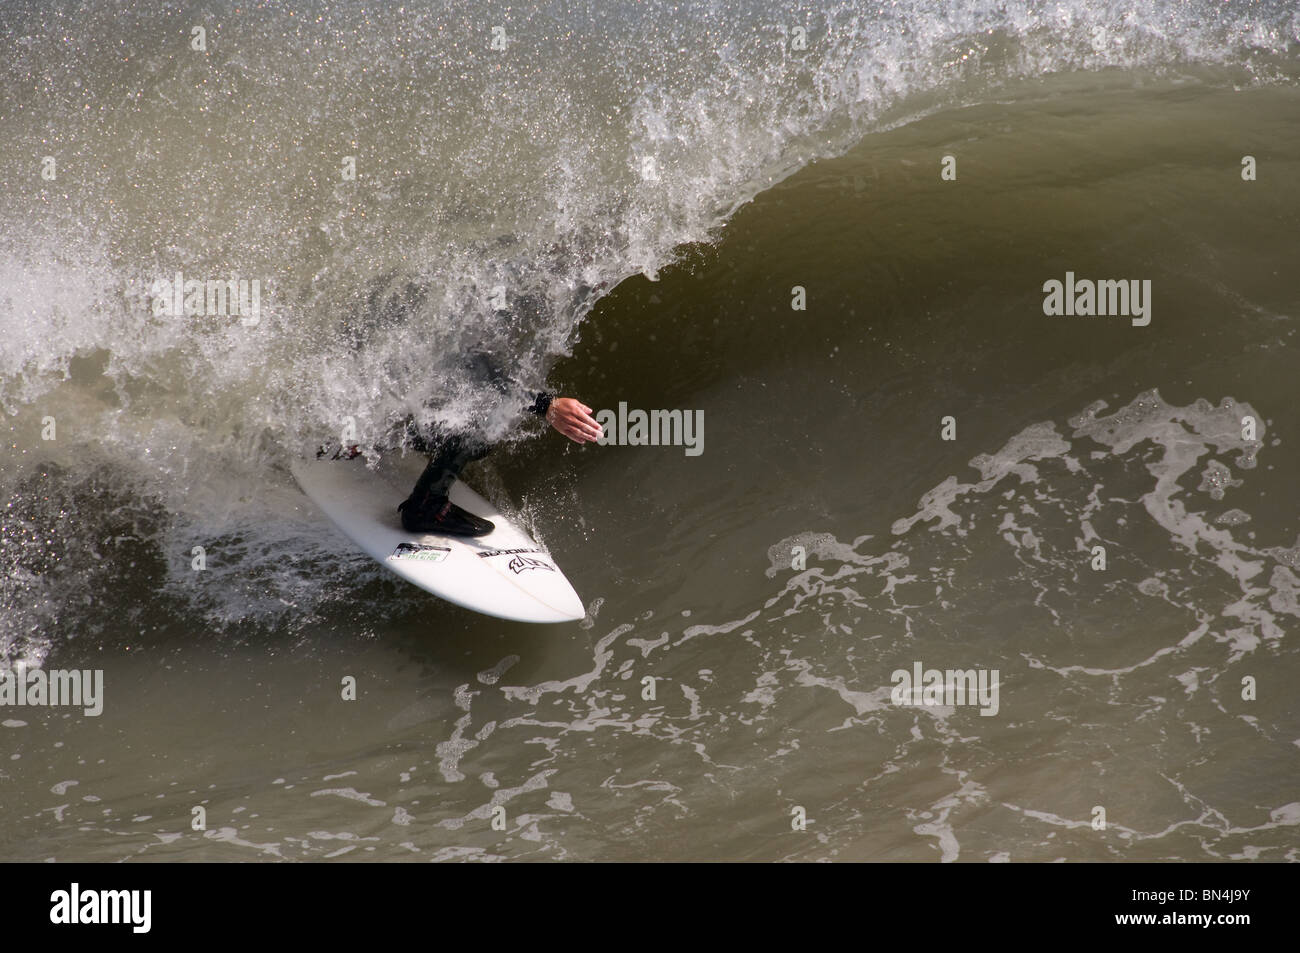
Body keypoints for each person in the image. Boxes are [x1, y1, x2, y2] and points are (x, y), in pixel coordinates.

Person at [397, 390, 602, 536]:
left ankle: (371, 442)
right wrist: (548, 405)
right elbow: (487, 380)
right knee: (477, 431)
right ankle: (425, 506)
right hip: (397, 414)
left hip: (380, 411)